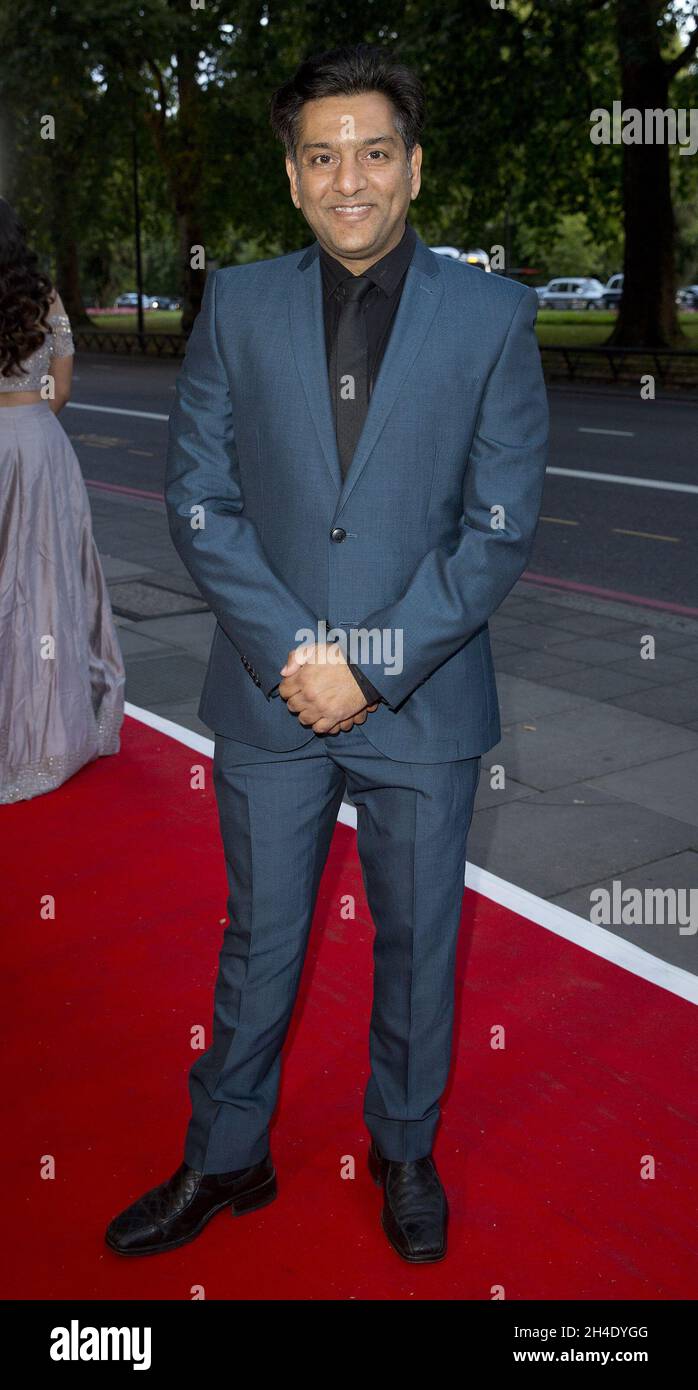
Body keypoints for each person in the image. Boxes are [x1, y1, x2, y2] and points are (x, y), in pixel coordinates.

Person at [106, 43, 548, 1264]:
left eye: (371, 151)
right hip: (267, 692)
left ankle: (403, 1148)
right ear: (291, 178)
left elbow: (499, 524)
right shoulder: (236, 304)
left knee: (418, 939)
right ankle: (225, 1154)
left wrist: (367, 660)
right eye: (320, 155)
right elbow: (197, 498)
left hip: (422, 698)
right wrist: (298, 649)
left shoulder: (494, 315)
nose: (346, 176)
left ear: (411, 165)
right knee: (260, 937)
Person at [0, 198, 125, 803]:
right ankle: (51, 729)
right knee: (48, 588)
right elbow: (62, 385)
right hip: (41, 445)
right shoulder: (43, 297)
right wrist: (31, 427)